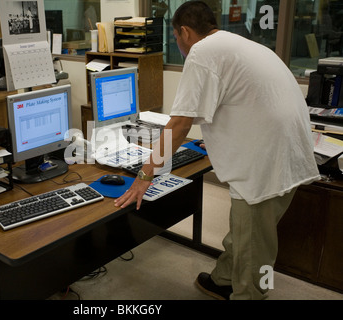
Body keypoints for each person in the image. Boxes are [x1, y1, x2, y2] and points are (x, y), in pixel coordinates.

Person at [114, 1, 320, 300]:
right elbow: (244, 103)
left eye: (175, 38)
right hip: (290, 153)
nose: (179, 45)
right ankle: (224, 279)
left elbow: (180, 123)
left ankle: (249, 294)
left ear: (184, 31)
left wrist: (145, 175)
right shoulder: (240, 44)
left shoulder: (202, 51)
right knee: (246, 230)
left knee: (255, 248)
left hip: (266, 165)